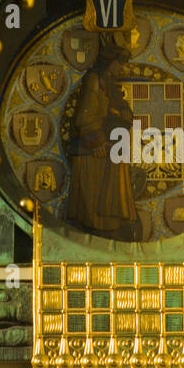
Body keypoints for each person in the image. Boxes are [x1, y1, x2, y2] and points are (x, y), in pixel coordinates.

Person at [65, 42, 140, 240]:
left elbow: (118, 110)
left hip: (110, 149)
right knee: (96, 204)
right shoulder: (94, 80)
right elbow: (86, 116)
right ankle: (100, 235)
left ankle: (109, 234)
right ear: (109, 62)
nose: (121, 68)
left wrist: (122, 113)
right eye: (119, 63)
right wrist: (96, 142)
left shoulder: (107, 82)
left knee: (107, 202)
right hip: (97, 152)